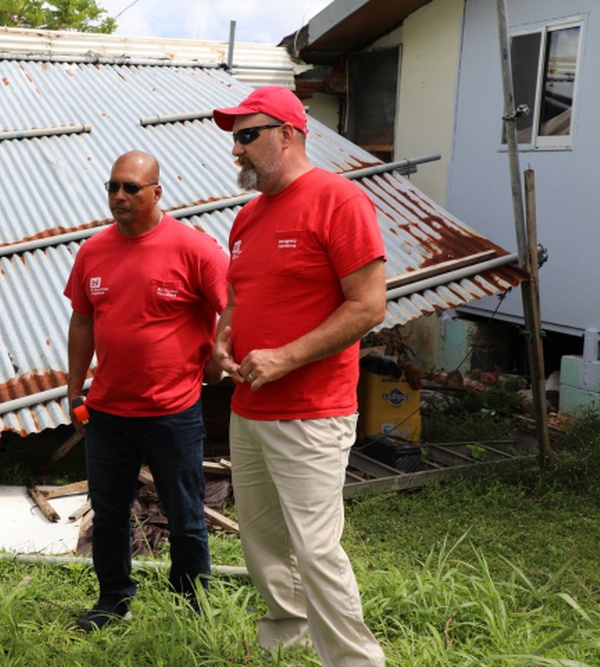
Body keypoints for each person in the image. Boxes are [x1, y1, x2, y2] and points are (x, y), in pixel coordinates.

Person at [210, 87, 388, 666]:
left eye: (246, 135)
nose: (236, 149)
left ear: (287, 133)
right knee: (262, 545)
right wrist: (221, 340)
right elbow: (240, 295)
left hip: (312, 411)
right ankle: (288, 648)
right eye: (233, 137)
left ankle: (356, 662)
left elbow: (367, 306)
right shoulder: (247, 217)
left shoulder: (338, 201)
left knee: (314, 550)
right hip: (249, 408)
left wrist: (285, 356)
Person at [64, 151, 228, 631]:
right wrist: (75, 389)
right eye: (113, 186)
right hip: (108, 412)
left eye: (131, 187)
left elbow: (234, 310)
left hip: (172, 412)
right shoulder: (93, 251)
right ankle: (113, 601)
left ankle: (190, 606)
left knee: (185, 515)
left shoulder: (195, 249)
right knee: (109, 513)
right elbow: (82, 319)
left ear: (156, 192)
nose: (119, 196)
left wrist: (220, 362)